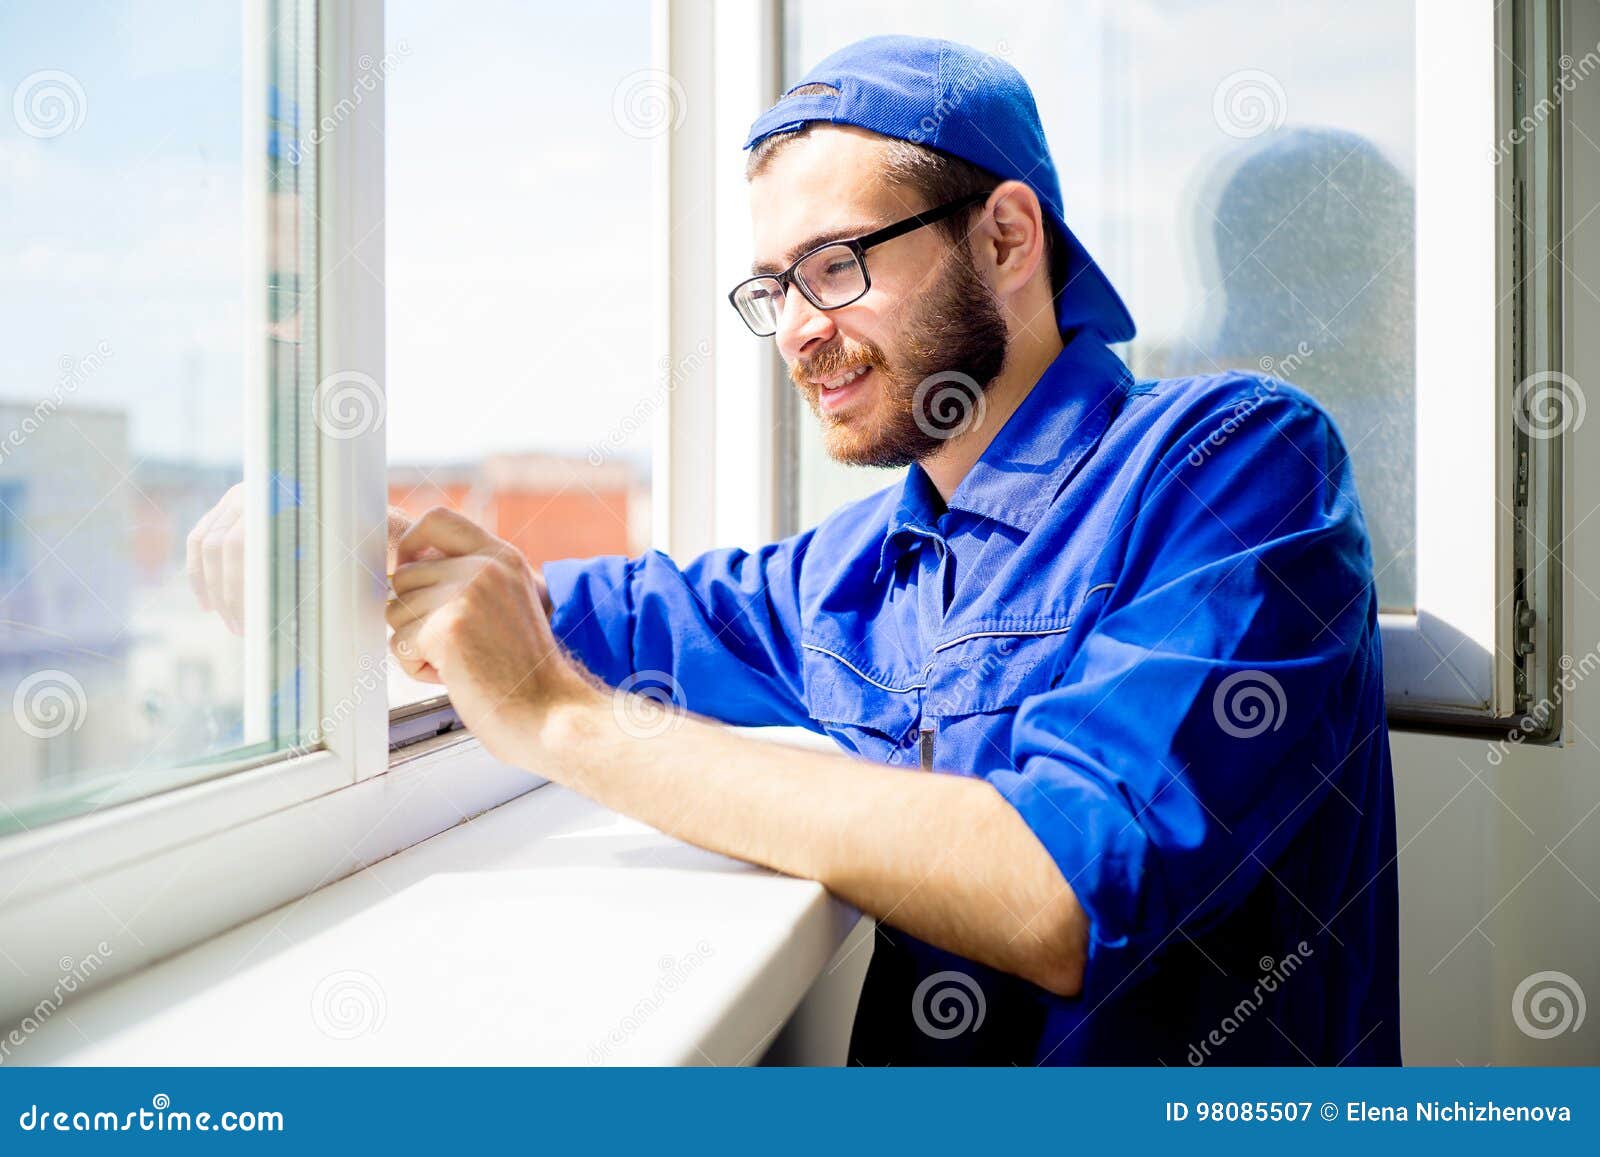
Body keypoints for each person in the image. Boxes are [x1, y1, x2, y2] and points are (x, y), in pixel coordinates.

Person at [189, 35, 1399, 1065]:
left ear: (1004, 237)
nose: (798, 333)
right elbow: (555, 613)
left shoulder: (1233, 462)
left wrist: (562, 720)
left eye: (835, 265)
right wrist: (334, 544)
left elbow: (1068, 887)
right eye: (775, 288)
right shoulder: (858, 566)